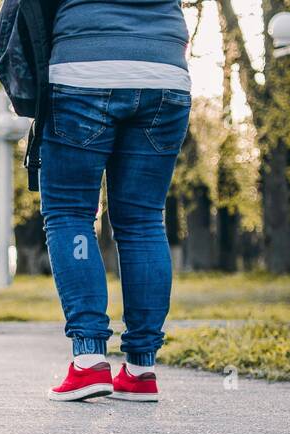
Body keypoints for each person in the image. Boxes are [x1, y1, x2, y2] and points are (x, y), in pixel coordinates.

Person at [41, 0, 192, 402]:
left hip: (82, 69)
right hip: (165, 71)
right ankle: (141, 369)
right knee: (143, 220)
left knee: (70, 214)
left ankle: (89, 361)